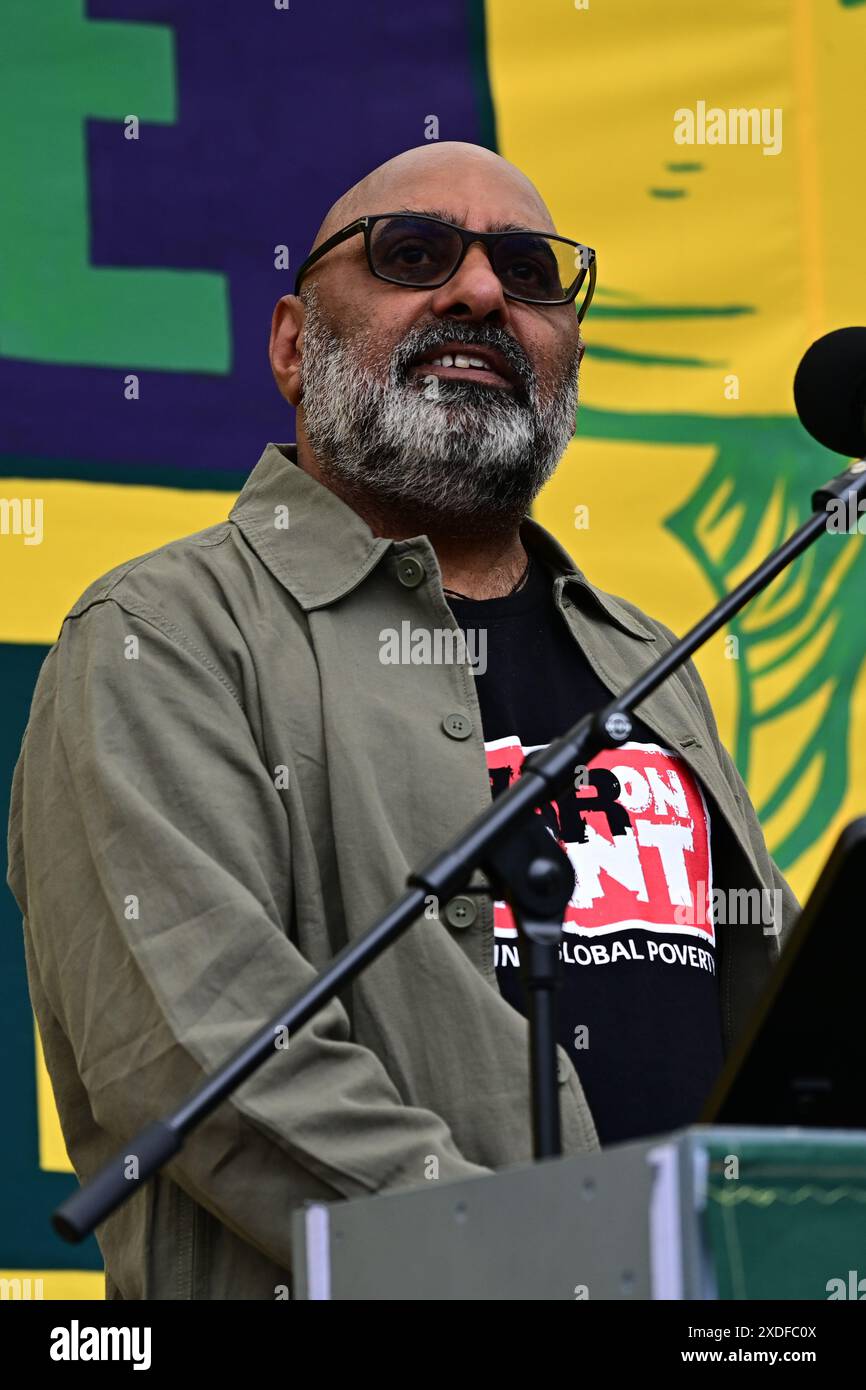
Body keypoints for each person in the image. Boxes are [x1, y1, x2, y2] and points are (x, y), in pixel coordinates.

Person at [7, 141, 797, 1300]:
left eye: (528, 272)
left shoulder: (645, 658)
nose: (480, 291)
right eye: (413, 254)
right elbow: (203, 1056)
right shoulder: (162, 632)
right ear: (291, 344)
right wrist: (574, 1275)